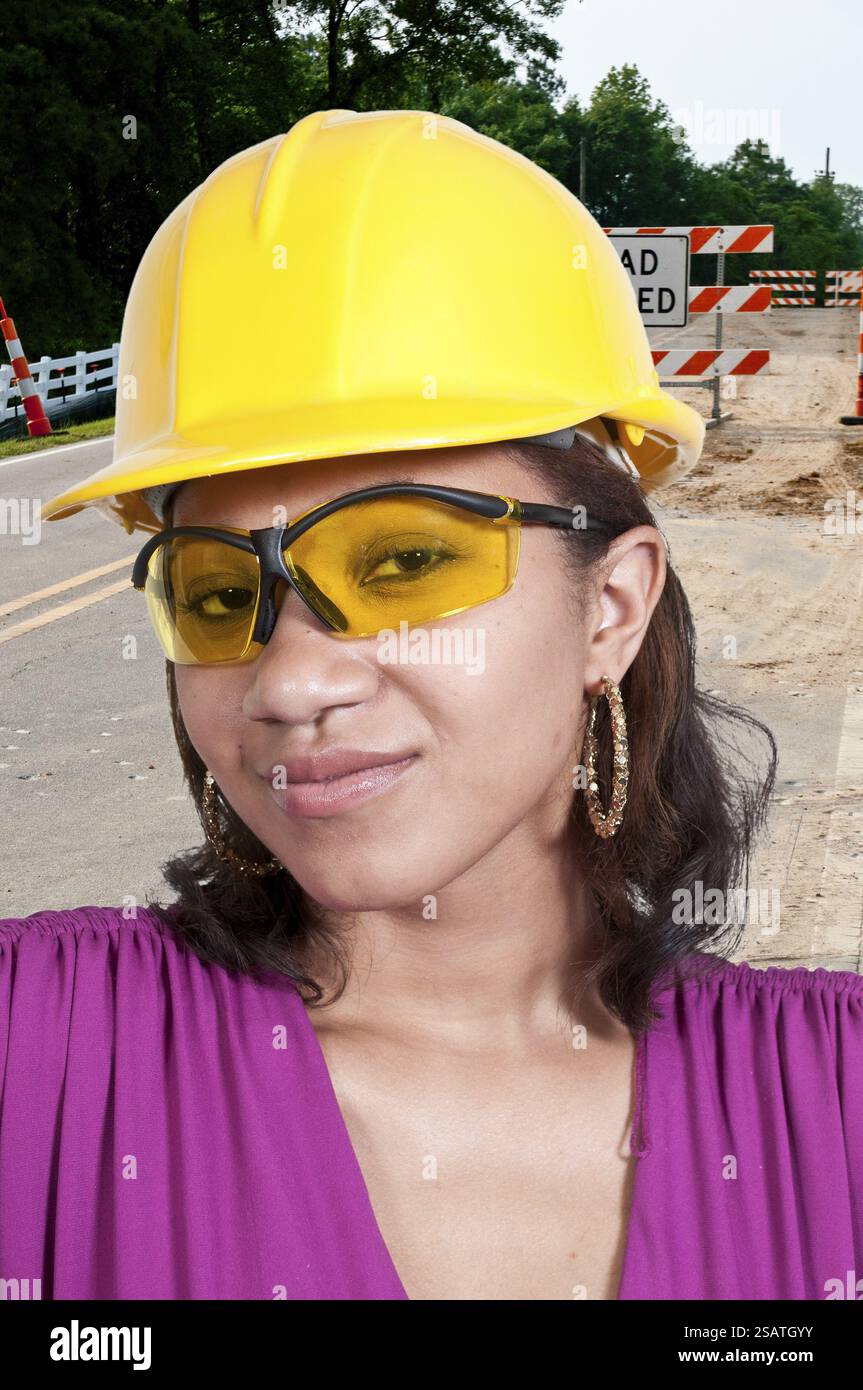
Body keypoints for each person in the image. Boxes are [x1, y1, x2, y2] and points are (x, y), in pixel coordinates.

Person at [2, 109, 861, 1303]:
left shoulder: (833, 1110)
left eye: (403, 562)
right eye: (213, 590)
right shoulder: (37, 1052)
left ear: (609, 607)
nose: (291, 683)